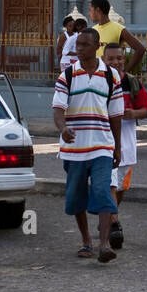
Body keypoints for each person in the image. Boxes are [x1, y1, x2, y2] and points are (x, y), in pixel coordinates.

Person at [52, 26, 123, 263]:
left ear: (97, 46)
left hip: (102, 146)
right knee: (76, 197)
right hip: (74, 149)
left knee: (103, 191)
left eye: (85, 45)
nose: (79, 49)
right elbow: (58, 109)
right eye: (78, 45)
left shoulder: (112, 76)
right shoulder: (67, 75)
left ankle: (104, 244)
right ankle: (86, 241)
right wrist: (63, 129)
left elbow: (115, 115)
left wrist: (117, 147)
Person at [104, 42, 147, 249]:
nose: (115, 62)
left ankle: (108, 217)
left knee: (121, 187)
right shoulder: (98, 82)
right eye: (111, 59)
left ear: (124, 60)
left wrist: (133, 113)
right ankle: (114, 223)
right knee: (110, 184)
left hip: (126, 145)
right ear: (103, 60)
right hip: (104, 143)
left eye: (119, 58)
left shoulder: (132, 82)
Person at [88, 0, 147, 75]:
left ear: (98, 10)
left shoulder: (119, 29)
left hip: (112, 75)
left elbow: (140, 49)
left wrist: (125, 72)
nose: (89, 14)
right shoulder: (93, 30)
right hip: (96, 75)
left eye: (90, 10)